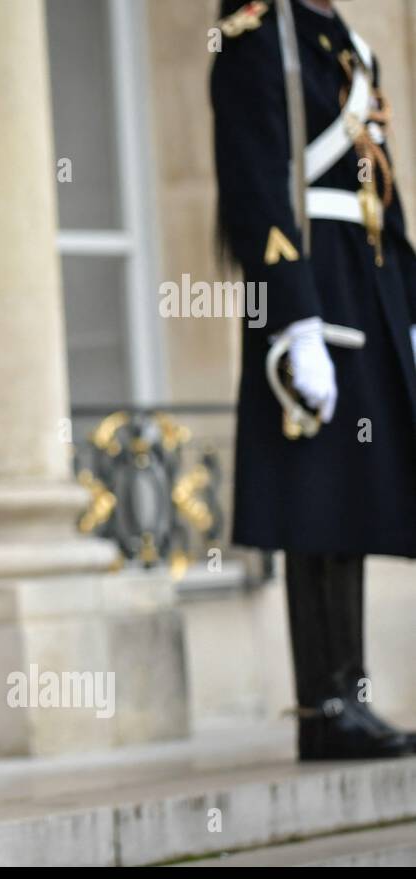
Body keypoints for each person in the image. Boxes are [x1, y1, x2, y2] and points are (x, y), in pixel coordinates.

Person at [211, 0, 416, 759]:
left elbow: (383, 189)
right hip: (310, 288)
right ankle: (324, 707)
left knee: (357, 501)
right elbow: (254, 183)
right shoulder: (255, 38)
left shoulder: (347, 43)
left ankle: (352, 691)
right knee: (316, 502)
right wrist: (293, 321)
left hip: (366, 281)